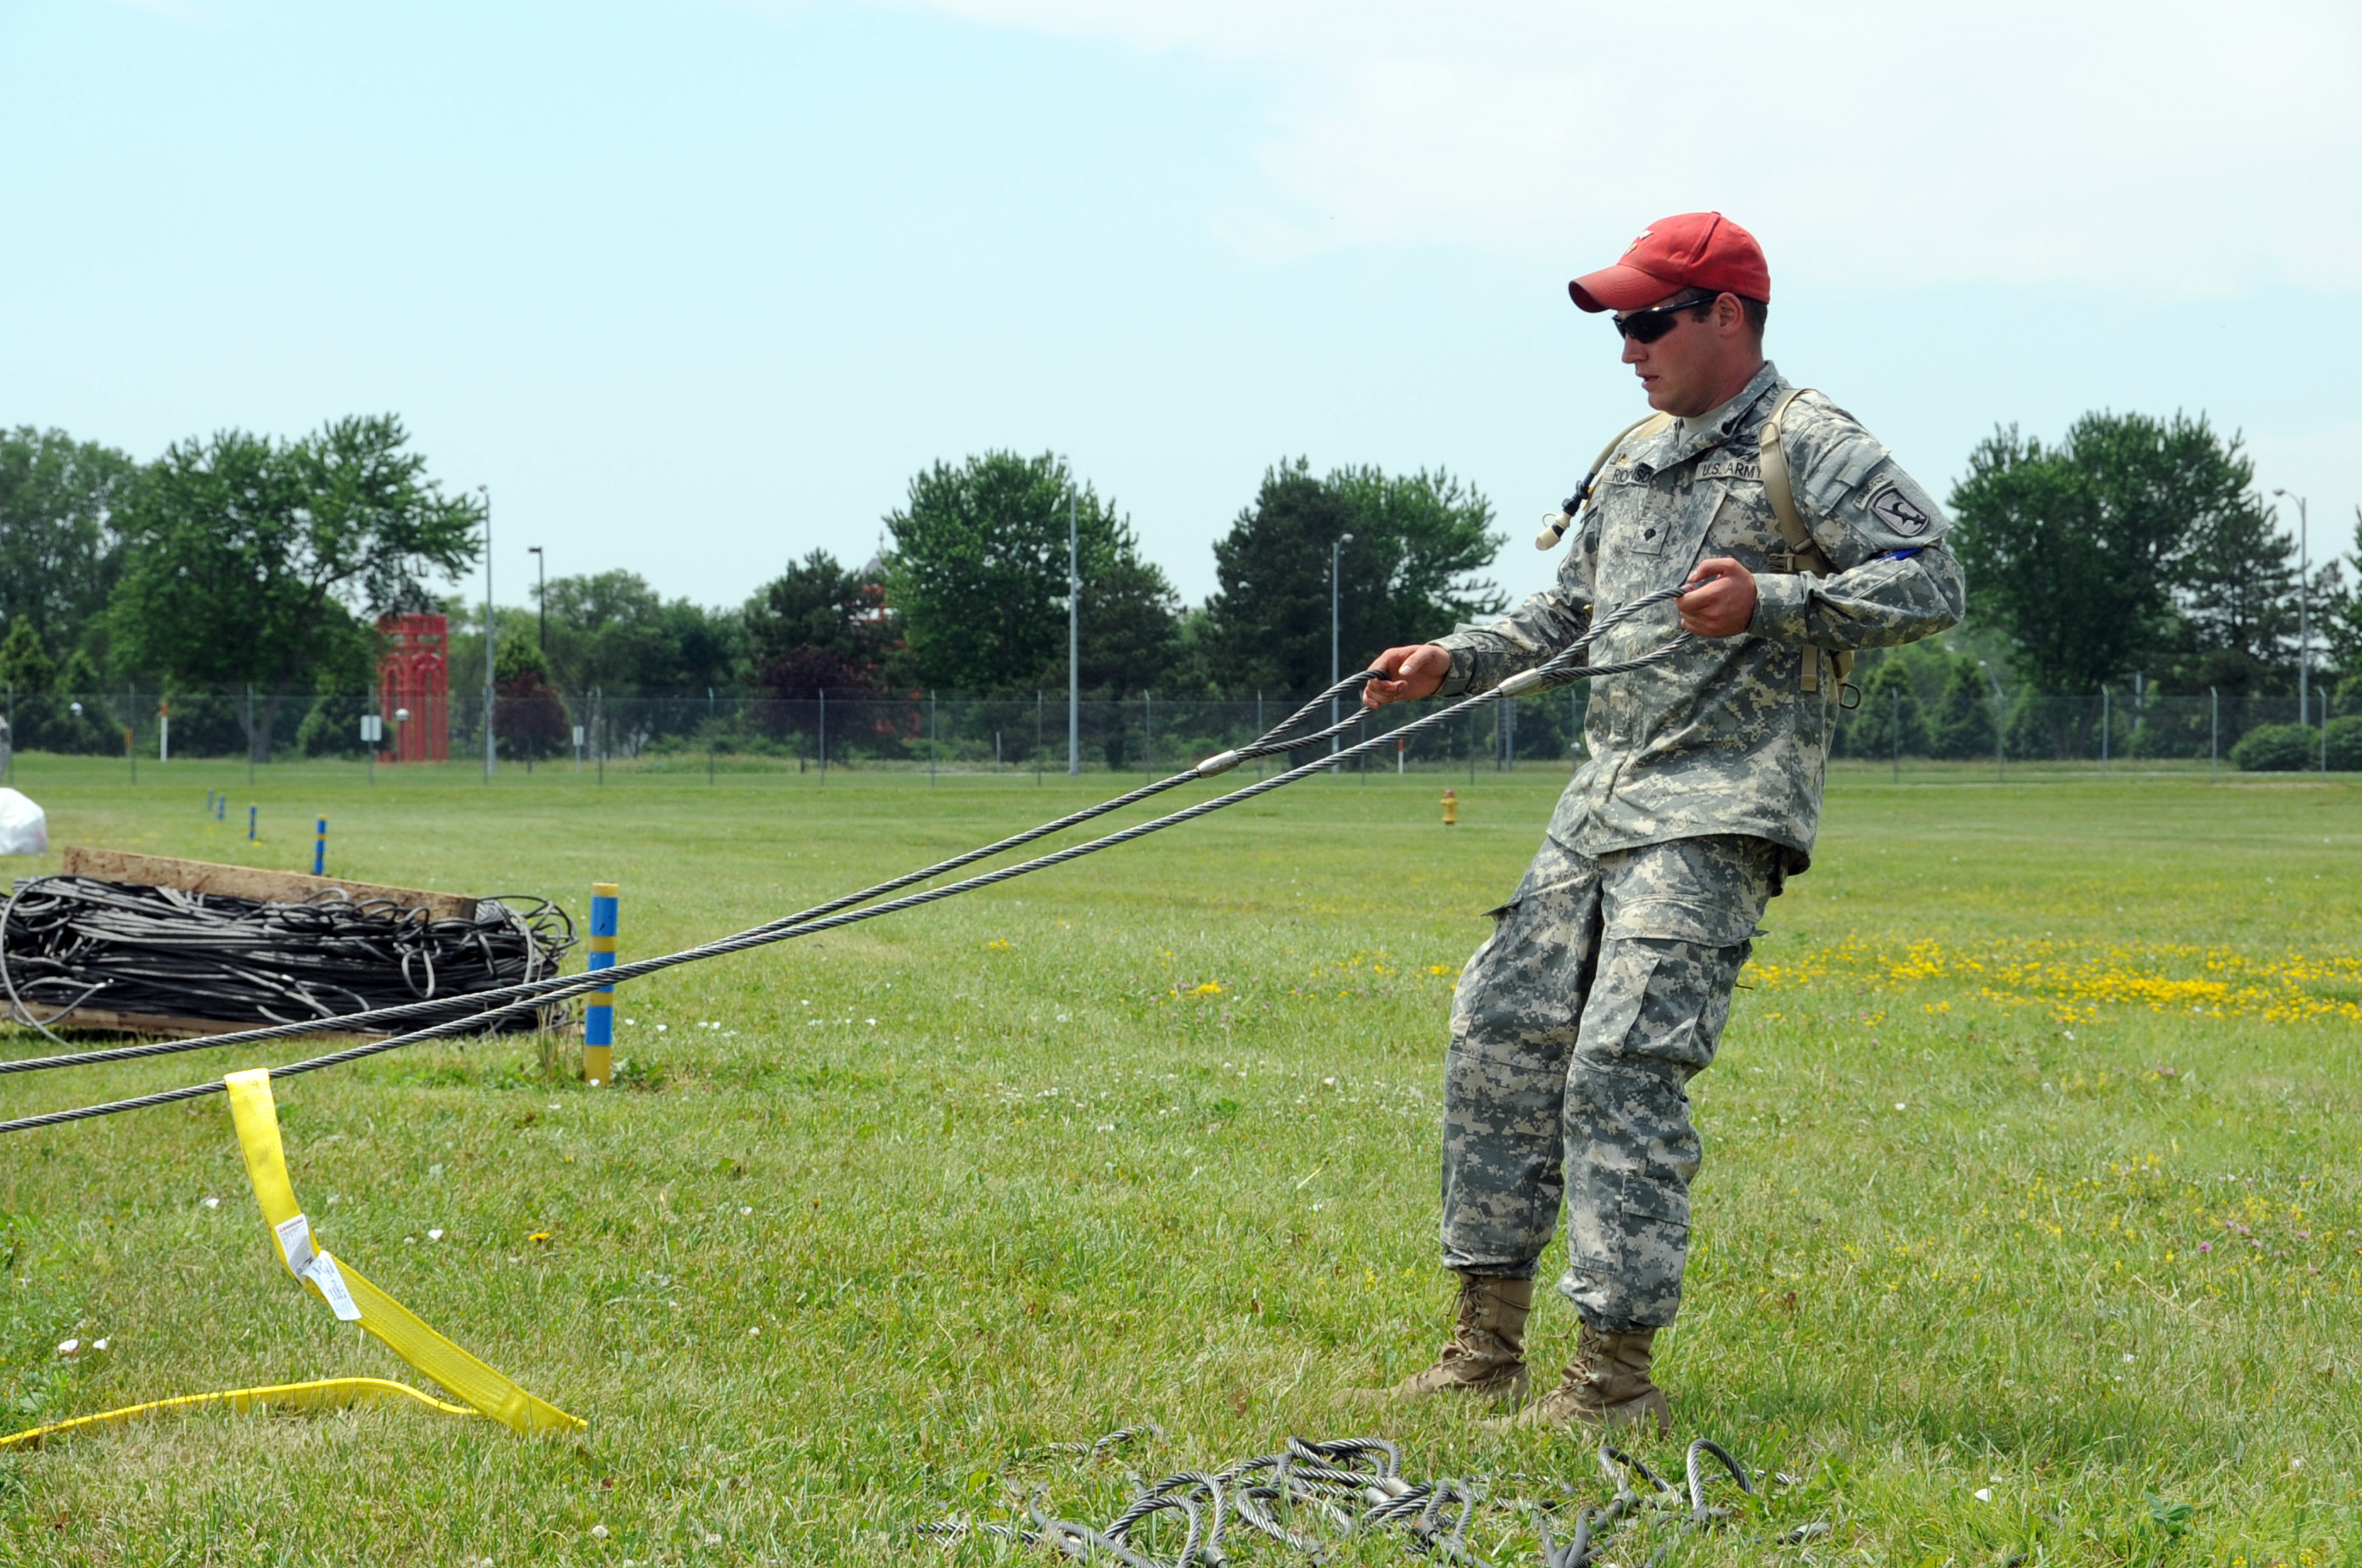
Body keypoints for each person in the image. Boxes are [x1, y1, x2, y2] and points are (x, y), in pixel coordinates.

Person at [1359, 211, 1965, 1431]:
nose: (1628, 347)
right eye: (1621, 323)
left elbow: (1933, 580)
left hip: (1726, 801)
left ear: (1727, 316)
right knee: (1497, 1030)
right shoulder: (1634, 451)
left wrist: (1774, 599)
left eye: (1649, 320)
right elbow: (1568, 617)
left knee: (1624, 1061)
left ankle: (1613, 1380)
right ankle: (1484, 1349)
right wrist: (1452, 661)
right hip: (1603, 803)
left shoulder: (1815, 444)